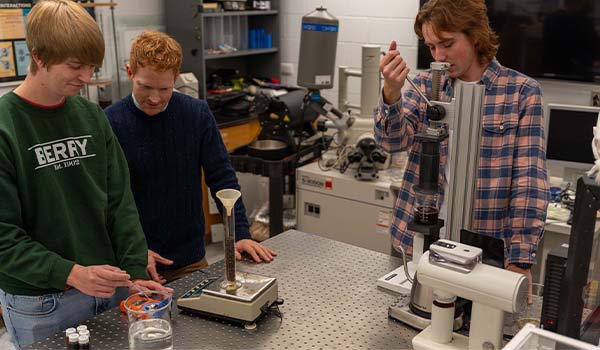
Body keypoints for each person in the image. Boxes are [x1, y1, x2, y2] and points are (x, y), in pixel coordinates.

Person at [0, 1, 168, 348]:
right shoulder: (6, 128)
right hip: (42, 303)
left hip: (109, 289)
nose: (86, 77)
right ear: (39, 56)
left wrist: (134, 274)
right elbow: (2, 237)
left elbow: (120, 203)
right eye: (75, 66)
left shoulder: (91, 117)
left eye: (92, 66)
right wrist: (72, 273)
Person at [375, 0, 549, 303]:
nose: (439, 56)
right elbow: (392, 142)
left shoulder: (520, 92)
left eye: (447, 43)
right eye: (431, 47)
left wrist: (520, 260)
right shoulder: (427, 84)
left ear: (476, 36)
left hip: (481, 250)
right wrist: (391, 92)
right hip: (417, 241)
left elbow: (528, 181)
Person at [105, 31, 276, 284]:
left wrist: (240, 233)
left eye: (164, 89)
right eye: (145, 86)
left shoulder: (196, 114)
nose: (154, 98)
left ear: (176, 77)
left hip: (190, 260)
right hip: (135, 263)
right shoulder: (110, 122)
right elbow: (105, 200)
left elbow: (222, 179)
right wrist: (132, 252)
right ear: (130, 72)